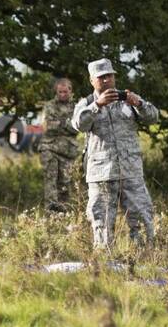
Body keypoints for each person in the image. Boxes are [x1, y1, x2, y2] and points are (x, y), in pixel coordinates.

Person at [71, 58, 159, 248]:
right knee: (102, 225)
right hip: (102, 175)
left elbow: (153, 117)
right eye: (101, 77)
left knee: (143, 222)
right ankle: (105, 266)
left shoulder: (127, 100)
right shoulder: (86, 103)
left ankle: (146, 262)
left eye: (109, 76)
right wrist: (97, 105)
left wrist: (139, 103)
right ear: (92, 80)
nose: (106, 80)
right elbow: (78, 124)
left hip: (131, 173)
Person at [39, 77, 80, 213]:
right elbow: (46, 126)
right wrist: (66, 123)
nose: (62, 94)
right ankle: (51, 215)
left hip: (68, 152)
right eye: (60, 92)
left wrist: (59, 123)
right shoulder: (49, 106)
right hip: (49, 149)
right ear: (56, 91)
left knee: (65, 184)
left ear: (71, 91)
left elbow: (78, 127)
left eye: (65, 92)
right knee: (51, 184)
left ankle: (64, 216)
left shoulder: (77, 107)